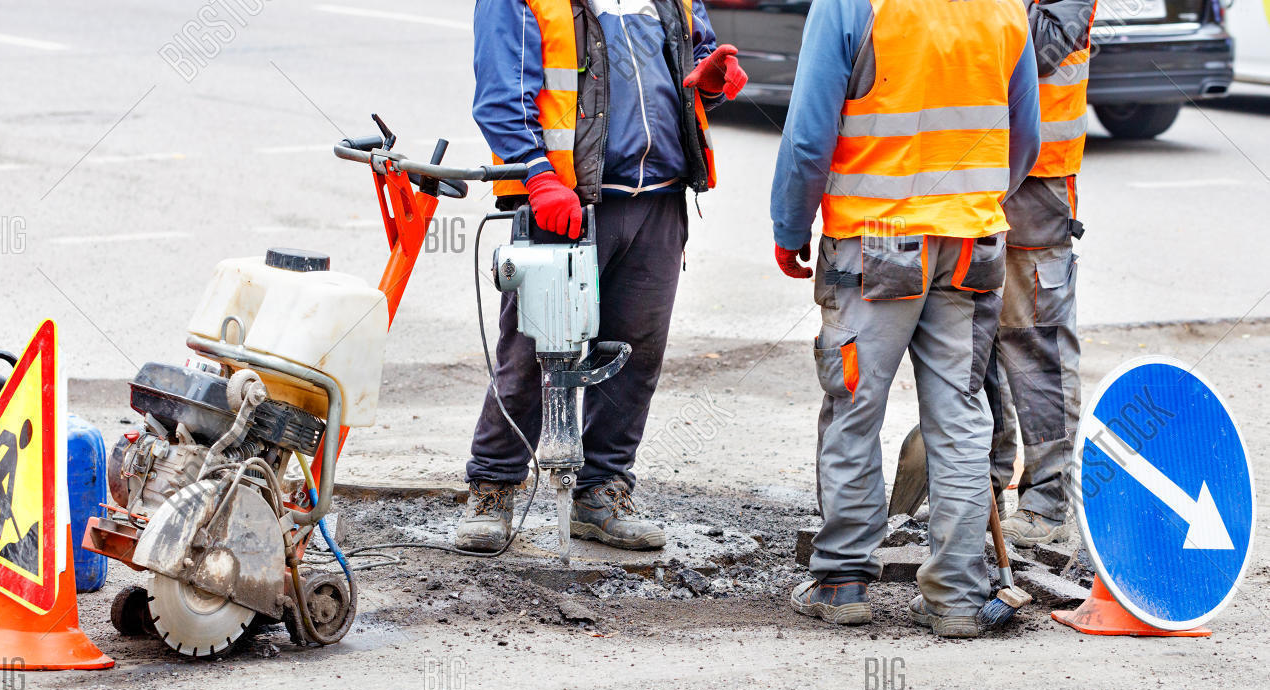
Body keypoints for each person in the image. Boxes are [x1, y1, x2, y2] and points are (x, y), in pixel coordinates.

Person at [772, 0, 1041, 638]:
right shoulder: (1003, 8)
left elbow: (810, 135)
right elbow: (1025, 135)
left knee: (855, 406)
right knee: (961, 413)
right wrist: (970, 204)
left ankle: (841, 580)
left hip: (876, 239)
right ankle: (956, 596)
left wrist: (789, 224)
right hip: (970, 241)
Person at [457, 0, 746, 552]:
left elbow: (697, 61)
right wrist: (537, 176)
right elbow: (501, 95)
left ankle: (601, 490)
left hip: (658, 200)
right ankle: (493, 484)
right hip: (565, 203)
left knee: (634, 353)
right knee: (531, 349)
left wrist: (711, 79)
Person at [988, 1, 1098, 547]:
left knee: (1037, 342)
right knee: (967, 335)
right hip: (967, 166)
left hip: (1037, 179)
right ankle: (977, 490)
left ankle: (1048, 502)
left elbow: (1050, 44)